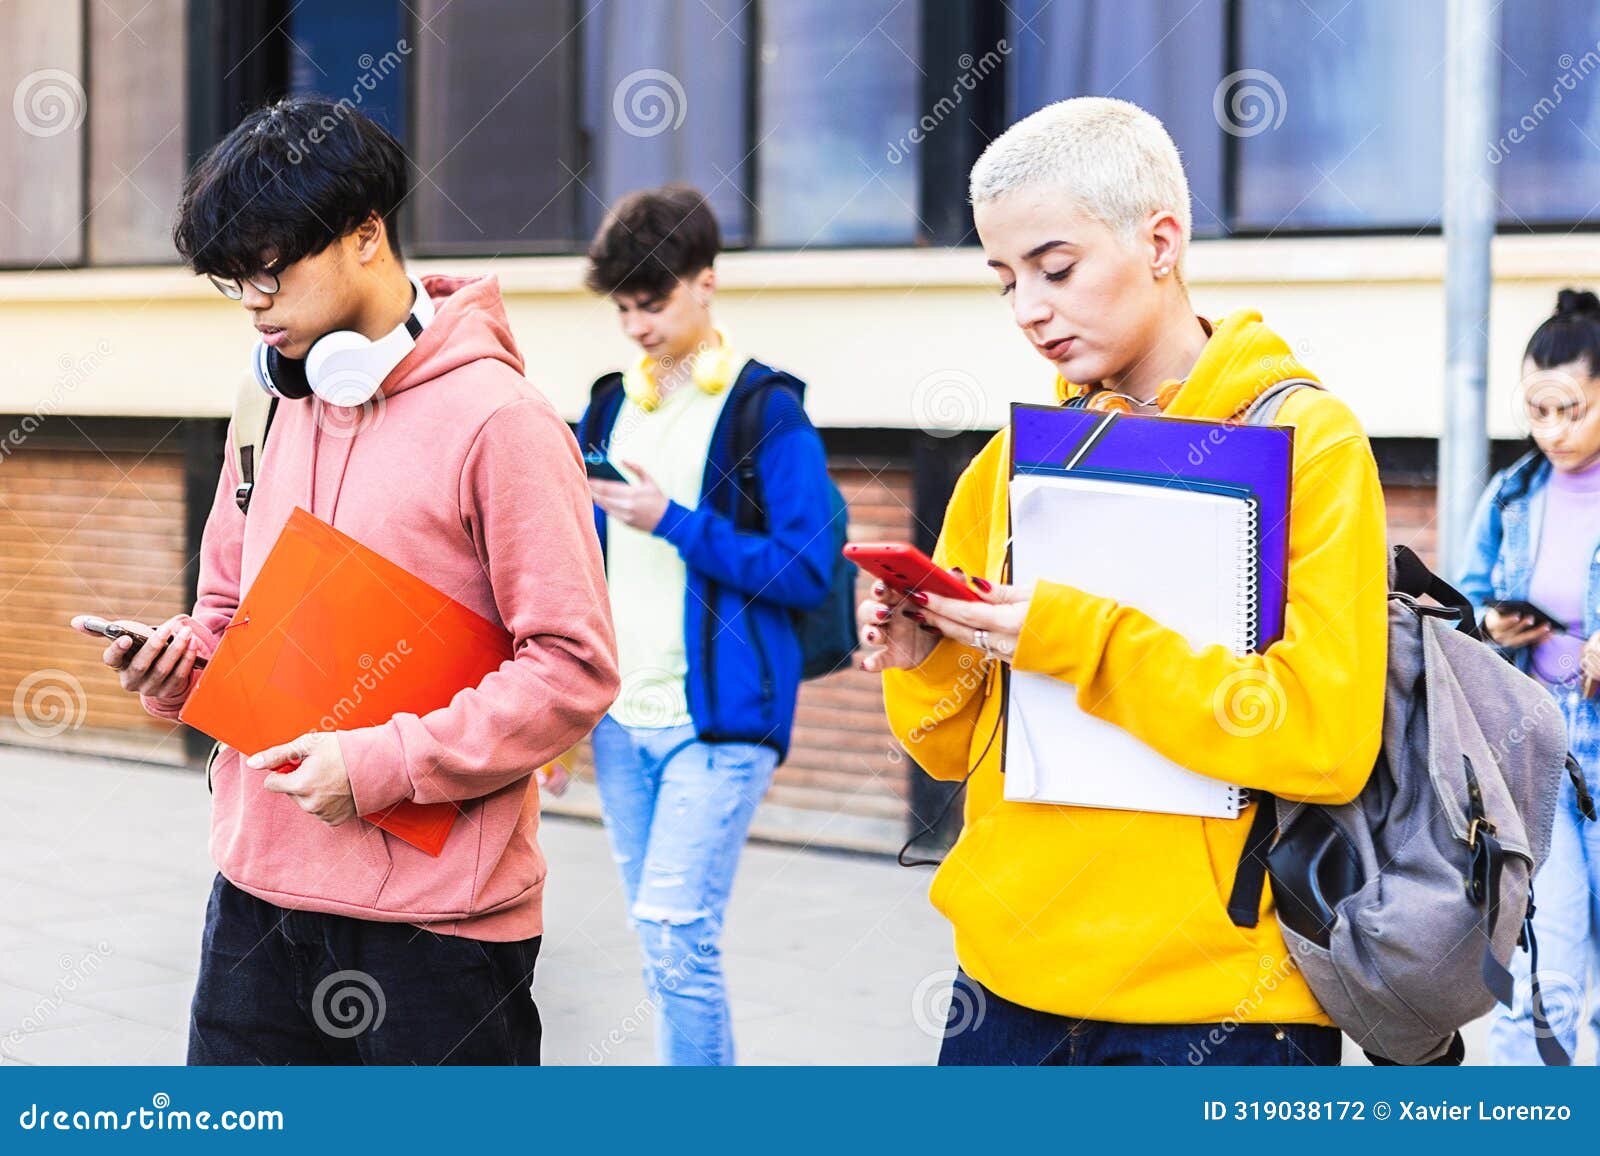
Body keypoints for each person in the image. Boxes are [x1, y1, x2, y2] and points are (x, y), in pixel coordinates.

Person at [72, 96, 619, 1065]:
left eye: (270, 266)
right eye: (233, 277)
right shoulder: (267, 405)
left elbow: (572, 670)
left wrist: (378, 766)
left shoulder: (503, 421)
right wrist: (180, 666)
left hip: (439, 940)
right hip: (255, 909)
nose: (253, 297)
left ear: (367, 235)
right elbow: (227, 617)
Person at [861, 97, 1390, 1066]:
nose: (1027, 306)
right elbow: (943, 752)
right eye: (1005, 277)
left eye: (1055, 267)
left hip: (1220, 1008)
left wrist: (1079, 633)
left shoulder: (1310, 446)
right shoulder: (1005, 465)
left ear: (1161, 241)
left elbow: (1323, 740)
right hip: (1001, 993)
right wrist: (927, 655)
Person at [575, 185, 837, 1065]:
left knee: (676, 934)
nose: (637, 325)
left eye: (652, 302)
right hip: (621, 723)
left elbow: (807, 568)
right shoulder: (611, 402)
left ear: (706, 283)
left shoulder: (768, 410)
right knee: (662, 946)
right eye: (623, 308)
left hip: (717, 723)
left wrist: (673, 520)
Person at [1459, 288, 1600, 1066]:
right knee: (1544, 982)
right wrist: (1490, 624)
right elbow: (1459, 604)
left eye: (1570, 410)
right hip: (1544, 753)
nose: (1551, 431)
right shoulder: (1513, 494)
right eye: (1536, 412)